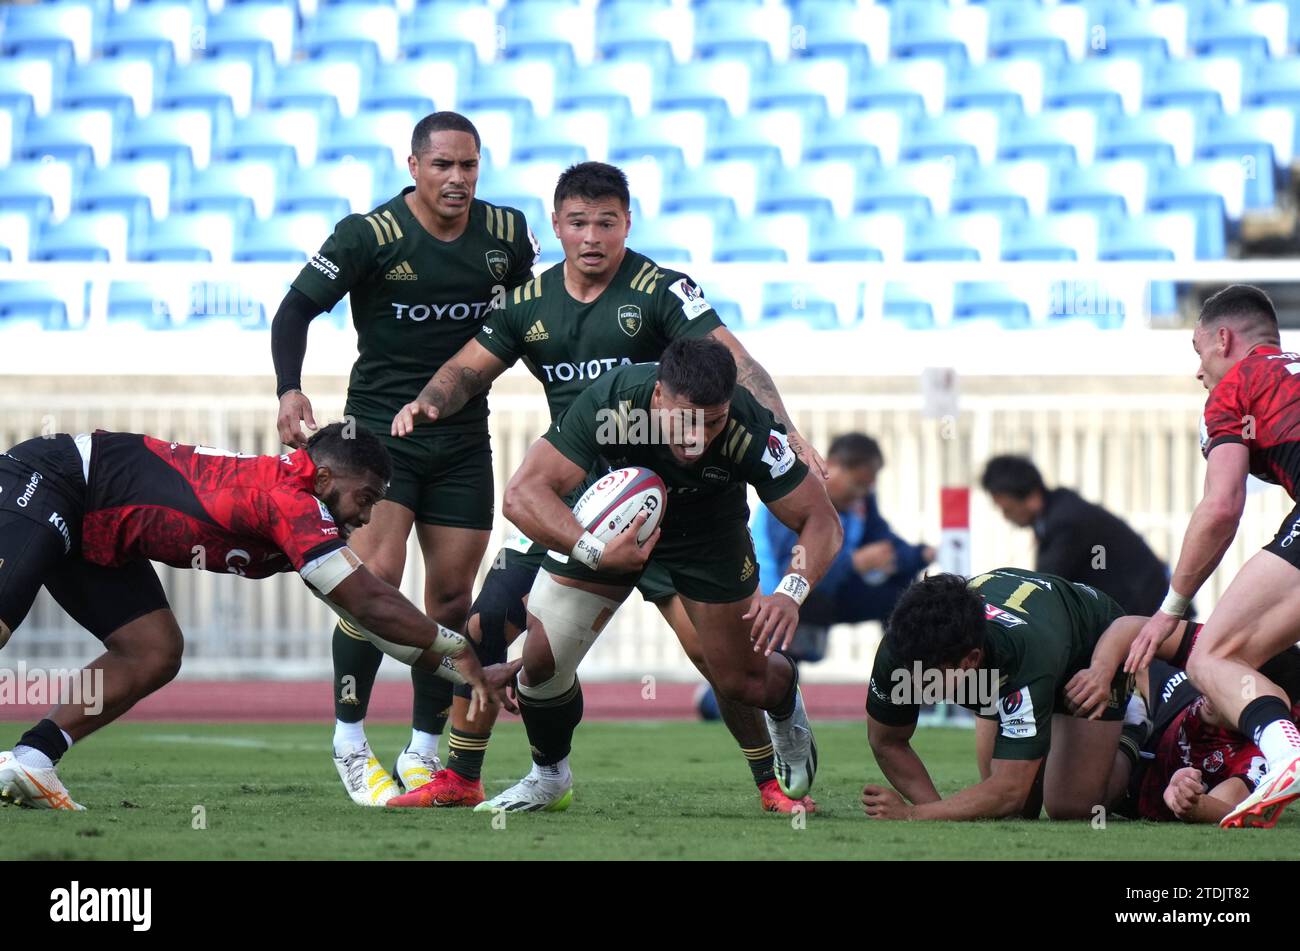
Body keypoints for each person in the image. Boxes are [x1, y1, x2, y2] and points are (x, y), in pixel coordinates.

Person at [385, 162, 826, 814]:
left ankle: (769, 773)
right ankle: (473, 773)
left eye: (607, 221)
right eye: (579, 222)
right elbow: (467, 371)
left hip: (690, 507)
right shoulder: (534, 309)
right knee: (495, 624)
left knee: (724, 666)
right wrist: (428, 400)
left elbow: (735, 362)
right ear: (557, 225)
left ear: (627, 222)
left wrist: (789, 434)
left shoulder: (661, 291)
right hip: (583, 500)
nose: (592, 236)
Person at [0, 424, 518, 810]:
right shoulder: (293, 501)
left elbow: (370, 619)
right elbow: (371, 602)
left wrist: (463, 669)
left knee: (153, 650)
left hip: (98, 527)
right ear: (326, 475)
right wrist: (460, 649)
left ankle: (34, 759)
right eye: (365, 499)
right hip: (55, 478)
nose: (364, 517)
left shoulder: (302, 511)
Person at [270, 112, 538, 805]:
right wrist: (289, 386)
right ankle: (350, 739)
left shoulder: (506, 233)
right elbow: (293, 312)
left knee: (450, 598)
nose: (457, 179)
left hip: (462, 436)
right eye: (443, 165)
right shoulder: (370, 234)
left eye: (469, 166)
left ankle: (422, 749)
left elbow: (530, 322)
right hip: (377, 441)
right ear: (414, 165)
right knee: (375, 579)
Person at [467, 337, 842, 813]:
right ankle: (549, 778)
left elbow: (821, 519)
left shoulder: (749, 427)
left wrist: (791, 590)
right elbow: (522, 495)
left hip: (707, 537)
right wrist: (593, 549)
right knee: (541, 660)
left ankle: (783, 695)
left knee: (739, 681)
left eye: (713, 423)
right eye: (685, 421)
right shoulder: (613, 401)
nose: (697, 438)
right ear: (658, 396)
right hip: (612, 529)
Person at [1127, 284, 1300, 829]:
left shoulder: (1235, 389)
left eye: (1199, 353)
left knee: (1212, 657)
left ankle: (1284, 754)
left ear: (1222, 339)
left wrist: (1170, 608)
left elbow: (1222, 506)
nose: (1199, 372)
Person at [863, 569, 1164, 821]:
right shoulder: (900, 647)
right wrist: (933, 810)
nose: (912, 683)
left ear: (971, 659)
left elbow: (1009, 791)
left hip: (1090, 645)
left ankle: (1132, 728)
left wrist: (913, 815)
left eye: (928, 676)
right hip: (1020, 656)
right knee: (1015, 812)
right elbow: (887, 741)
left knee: (1072, 806)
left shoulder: (1022, 657)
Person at [751, 431, 933, 664]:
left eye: (867, 487)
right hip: (776, 596)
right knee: (768, 681)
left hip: (827, 593)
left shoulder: (862, 501)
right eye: (857, 484)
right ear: (832, 465)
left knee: (905, 595)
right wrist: (854, 563)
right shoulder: (792, 498)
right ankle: (724, 693)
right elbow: (793, 571)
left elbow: (885, 542)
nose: (862, 493)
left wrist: (920, 555)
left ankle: (910, 680)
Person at [980, 455, 1173, 616]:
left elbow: (1046, 586)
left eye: (1007, 509)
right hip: (1140, 610)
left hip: (1143, 614)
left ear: (1031, 498)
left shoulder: (1066, 522)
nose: (1005, 516)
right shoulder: (1059, 512)